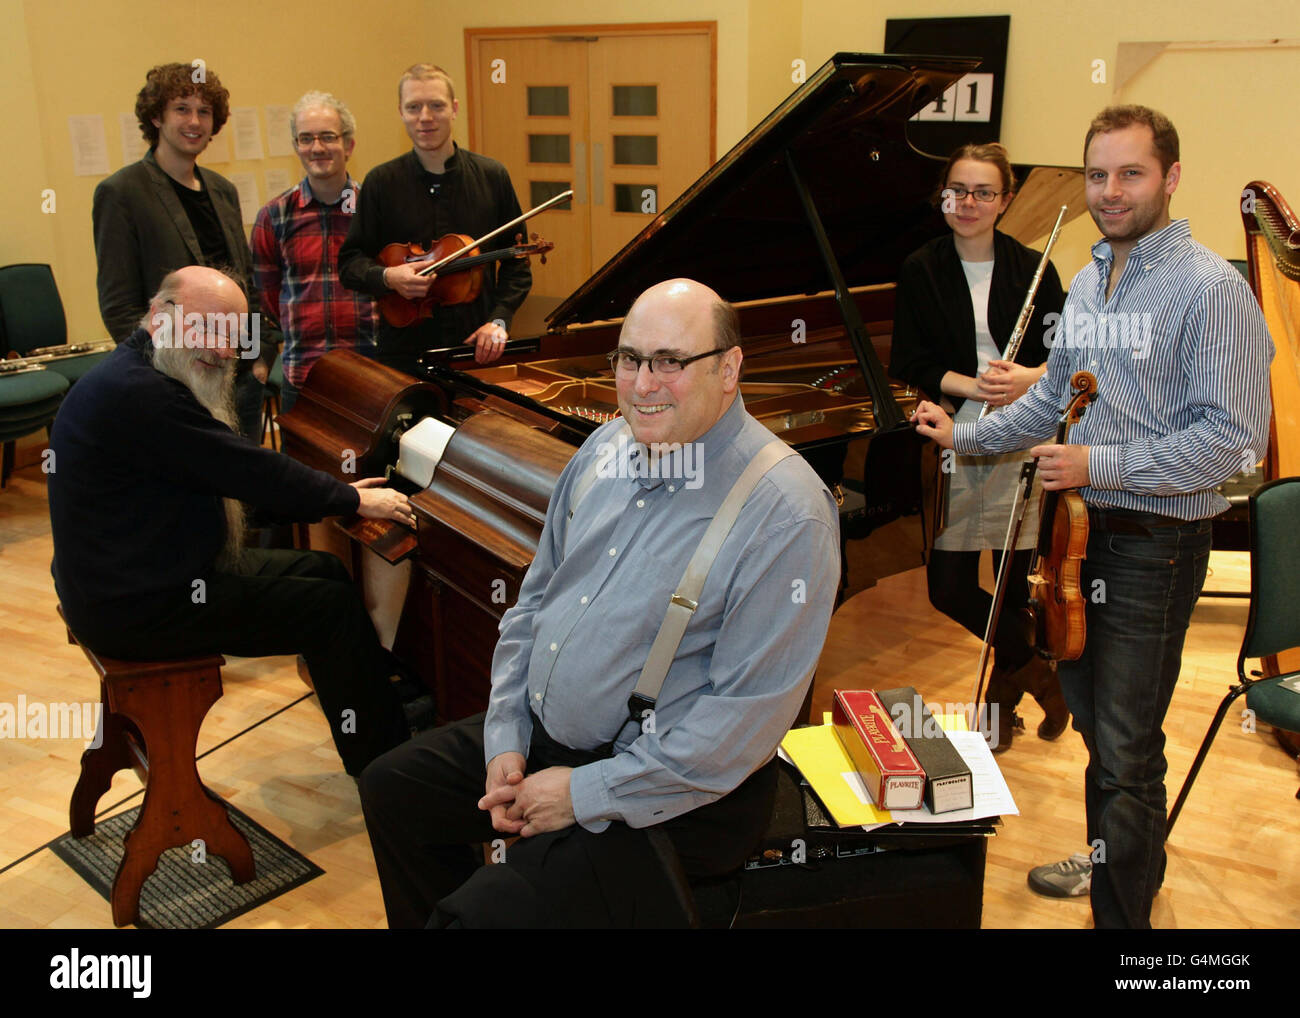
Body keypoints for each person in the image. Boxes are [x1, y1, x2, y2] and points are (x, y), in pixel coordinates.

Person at [359, 278, 840, 928]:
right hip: (548, 743)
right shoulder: (604, 448)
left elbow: (743, 721)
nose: (642, 384)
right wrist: (506, 735)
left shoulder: (786, 513)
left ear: (729, 370)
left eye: (670, 362)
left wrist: (585, 793)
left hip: (675, 788)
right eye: (629, 358)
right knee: (393, 791)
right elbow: (535, 605)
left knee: (472, 919)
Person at [912, 106, 1274, 928]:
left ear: (1172, 178)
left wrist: (1095, 463)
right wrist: (965, 436)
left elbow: (1234, 443)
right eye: (1098, 175)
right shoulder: (1088, 280)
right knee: (1104, 740)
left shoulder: (1212, 291)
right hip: (1076, 540)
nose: (1110, 192)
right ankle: (1116, 859)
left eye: (1131, 173)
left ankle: (1124, 923)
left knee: (1125, 749)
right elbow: (1048, 400)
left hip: (1155, 547)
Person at [48, 266, 415, 777]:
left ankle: (372, 696)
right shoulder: (141, 394)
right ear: (160, 317)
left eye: (232, 336)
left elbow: (230, 477)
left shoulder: (134, 373)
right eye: (207, 329)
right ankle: (386, 768)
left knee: (326, 574)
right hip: (135, 607)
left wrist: (332, 497)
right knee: (328, 609)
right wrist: (348, 501)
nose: (223, 350)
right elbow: (249, 469)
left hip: (126, 580)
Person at [890, 143, 1068, 753]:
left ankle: (998, 715)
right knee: (950, 585)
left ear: (1005, 201)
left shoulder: (1033, 268)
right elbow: (909, 359)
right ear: (943, 196)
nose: (967, 203)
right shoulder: (921, 266)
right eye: (957, 190)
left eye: (982, 192)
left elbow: (1067, 358)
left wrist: (1024, 379)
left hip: (1026, 422)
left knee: (1015, 585)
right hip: (957, 429)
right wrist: (973, 385)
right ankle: (1044, 674)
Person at [93, 62, 277, 440]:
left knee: (247, 491)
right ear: (157, 117)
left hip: (238, 377)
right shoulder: (122, 193)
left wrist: (258, 358)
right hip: (173, 385)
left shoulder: (223, 190)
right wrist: (161, 379)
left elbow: (247, 288)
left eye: (204, 112)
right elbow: (119, 306)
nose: (194, 121)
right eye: (181, 108)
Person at [338, 64, 529, 373]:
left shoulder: (492, 176)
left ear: (453, 109)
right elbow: (349, 264)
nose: (425, 117)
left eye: (436, 105)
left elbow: (517, 263)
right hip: (403, 352)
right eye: (414, 107)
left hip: (474, 349)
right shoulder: (380, 182)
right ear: (401, 112)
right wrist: (388, 278)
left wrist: (499, 320)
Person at [252, 91, 377, 414]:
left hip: (372, 374)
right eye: (306, 138)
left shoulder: (375, 209)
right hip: (304, 377)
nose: (317, 148)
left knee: (374, 467)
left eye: (327, 137)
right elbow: (268, 296)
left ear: (348, 145)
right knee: (303, 466)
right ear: (296, 146)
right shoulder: (274, 216)